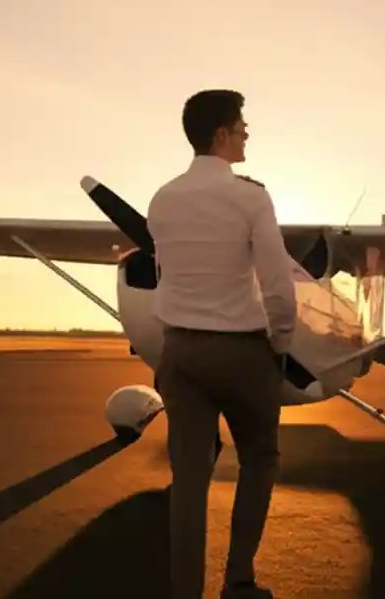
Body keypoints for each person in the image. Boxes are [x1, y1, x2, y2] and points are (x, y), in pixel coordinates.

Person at [146, 89, 298, 599]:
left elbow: (165, 273)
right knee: (259, 458)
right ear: (221, 136)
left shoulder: (162, 199)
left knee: (189, 479)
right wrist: (280, 343)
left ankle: (183, 591)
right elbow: (278, 283)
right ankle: (238, 580)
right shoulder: (252, 197)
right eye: (241, 126)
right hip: (242, 353)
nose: (247, 132)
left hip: (179, 354)